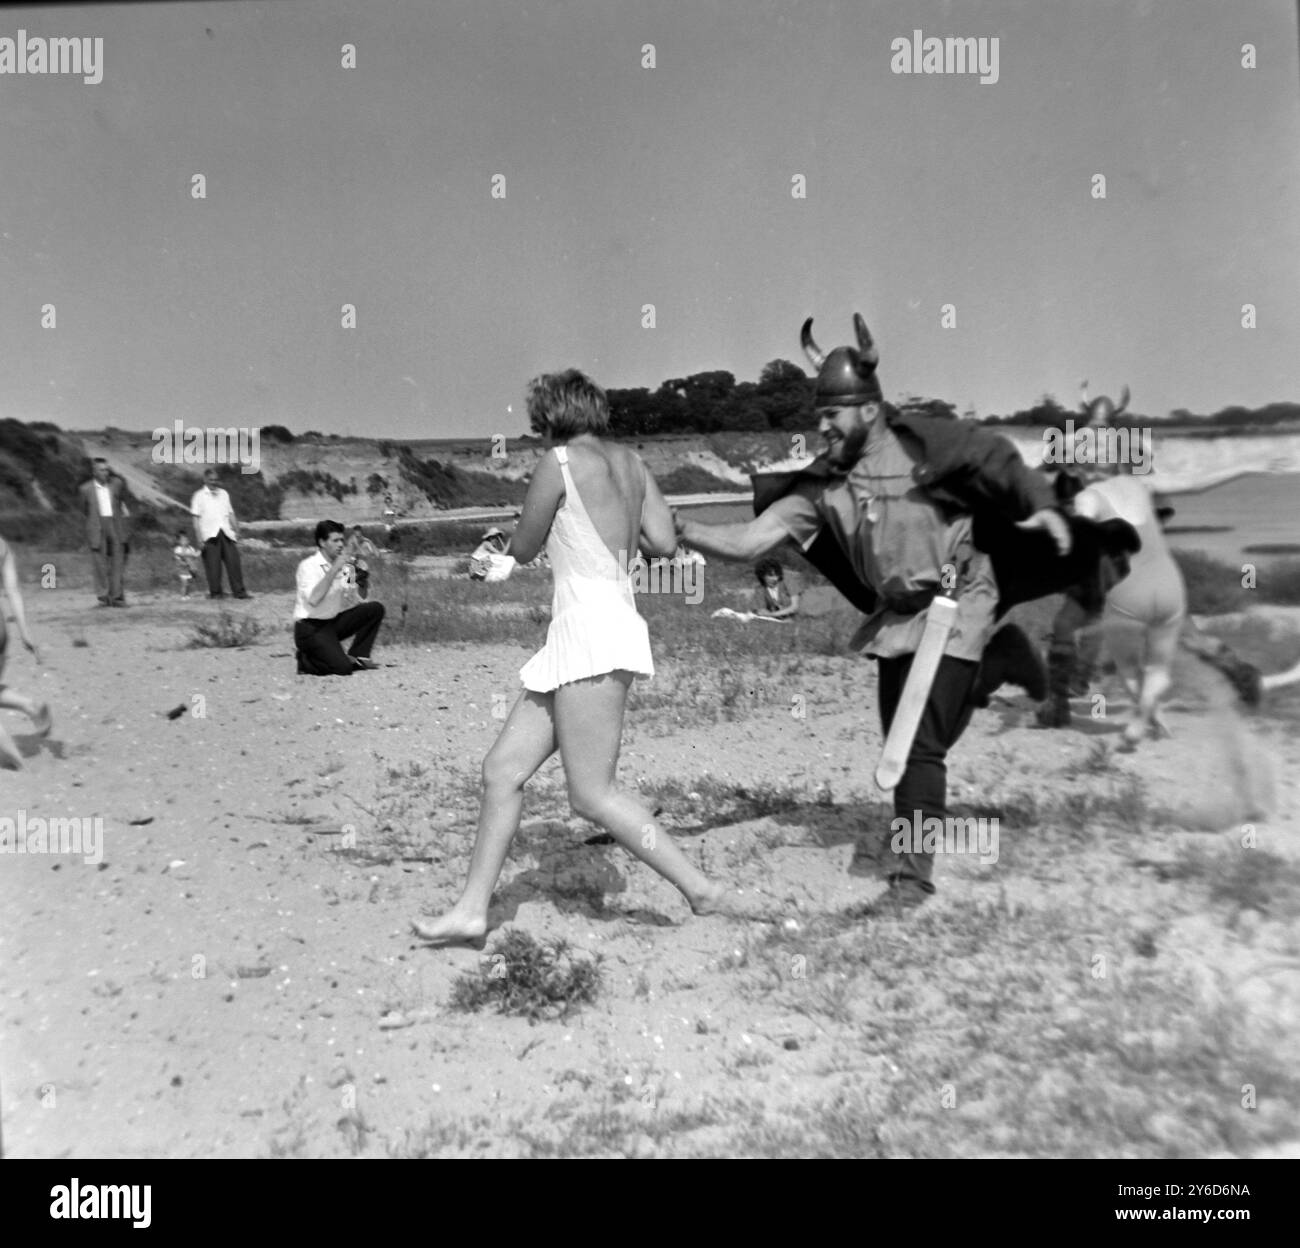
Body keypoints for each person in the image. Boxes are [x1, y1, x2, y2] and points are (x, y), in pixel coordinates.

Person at [676, 314, 1138, 908]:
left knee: (916, 745)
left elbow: (997, 460)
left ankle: (912, 878)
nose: (821, 427)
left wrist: (1044, 505)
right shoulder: (822, 487)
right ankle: (1000, 660)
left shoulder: (927, 450)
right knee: (913, 739)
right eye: (819, 415)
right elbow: (749, 542)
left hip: (962, 593)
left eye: (831, 415)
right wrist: (682, 528)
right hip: (898, 618)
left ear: (868, 409)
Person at [412, 369, 757, 948]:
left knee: (592, 794)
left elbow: (523, 548)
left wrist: (502, 544)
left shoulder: (560, 463)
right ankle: (472, 910)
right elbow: (667, 544)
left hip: (589, 632)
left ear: (551, 416)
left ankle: (702, 891)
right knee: (502, 771)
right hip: (599, 627)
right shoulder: (633, 463)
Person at [294, 520, 385, 675]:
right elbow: (313, 599)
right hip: (309, 628)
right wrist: (335, 568)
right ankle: (305, 661)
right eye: (335, 540)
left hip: (331, 623)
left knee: (375, 609)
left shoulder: (345, 566)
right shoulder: (309, 566)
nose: (341, 544)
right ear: (322, 542)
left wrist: (362, 581)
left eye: (342, 540)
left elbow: (357, 598)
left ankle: (359, 656)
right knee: (343, 668)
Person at [0, 533, 52, 769]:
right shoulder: (2, 544)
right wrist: (24, 631)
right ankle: (29, 706)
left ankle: (7, 752)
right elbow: (12, 590)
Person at [190, 468, 251, 599]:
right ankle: (216, 593)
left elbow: (230, 513)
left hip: (226, 533)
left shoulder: (224, 493)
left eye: (216, 480)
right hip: (209, 535)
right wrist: (199, 538)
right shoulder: (198, 496)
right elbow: (195, 519)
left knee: (234, 563)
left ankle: (240, 592)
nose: (214, 482)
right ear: (205, 480)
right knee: (213, 566)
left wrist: (237, 530)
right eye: (211, 480)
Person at [77, 458, 130, 607]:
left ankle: (117, 597)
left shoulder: (117, 483)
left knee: (118, 562)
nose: (105, 472)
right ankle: (103, 597)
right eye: (101, 469)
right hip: (97, 525)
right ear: (94, 472)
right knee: (99, 563)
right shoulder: (85, 489)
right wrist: (91, 527)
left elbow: (122, 502)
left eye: (107, 469)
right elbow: (84, 510)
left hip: (114, 523)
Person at [172, 530, 201, 598]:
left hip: (190, 570)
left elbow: (195, 556)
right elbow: (177, 559)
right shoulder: (178, 549)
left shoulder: (191, 548)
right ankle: (183, 596)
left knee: (189, 583)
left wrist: (200, 550)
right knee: (184, 583)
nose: (185, 541)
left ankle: (187, 594)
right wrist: (183, 563)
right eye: (183, 540)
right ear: (179, 541)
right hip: (182, 569)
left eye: (186, 540)